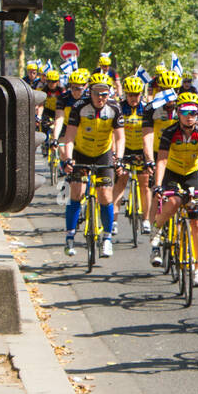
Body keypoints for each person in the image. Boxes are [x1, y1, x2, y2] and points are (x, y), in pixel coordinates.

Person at [149, 91, 198, 285]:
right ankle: (157, 228)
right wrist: (157, 185)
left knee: (196, 221)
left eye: (194, 112)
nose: (189, 116)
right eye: (185, 112)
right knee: (174, 201)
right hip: (171, 172)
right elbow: (161, 161)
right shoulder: (169, 132)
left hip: (192, 174)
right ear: (178, 113)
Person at [61, 76, 124, 258]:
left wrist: (118, 158)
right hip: (81, 152)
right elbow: (70, 137)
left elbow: (120, 138)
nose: (100, 98)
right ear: (90, 91)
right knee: (77, 193)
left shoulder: (114, 108)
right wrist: (68, 159)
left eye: (104, 94)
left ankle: (107, 238)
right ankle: (70, 237)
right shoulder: (79, 106)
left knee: (105, 195)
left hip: (103, 154)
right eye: (97, 93)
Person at [112, 74, 154, 224]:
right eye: (130, 95)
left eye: (136, 95)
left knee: (144, 184)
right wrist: (115, 154)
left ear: (141, 94)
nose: (133, 98)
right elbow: (113, 133)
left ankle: (146, 220)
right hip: (125, 149)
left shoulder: (147, 109)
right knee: (121, 181)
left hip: (142, 150)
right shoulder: (119, 108)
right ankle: (114, 220)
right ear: (125, 94)